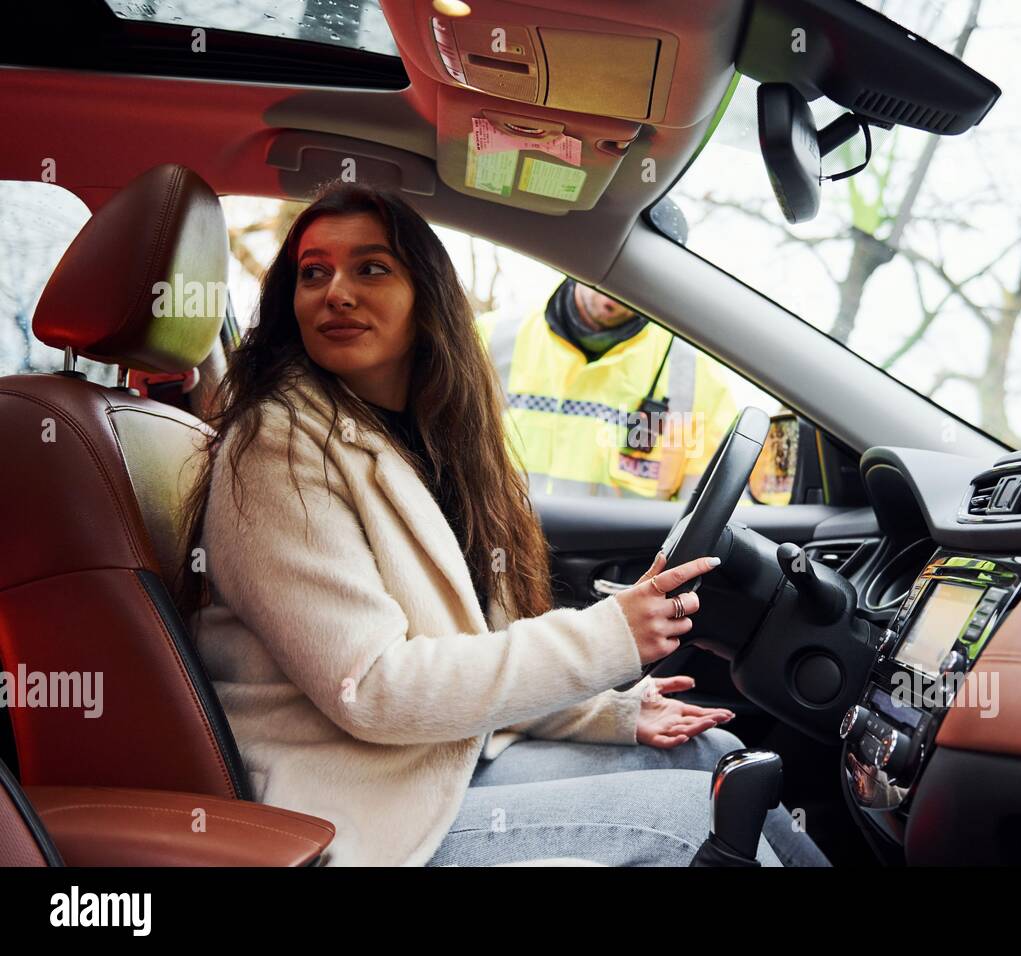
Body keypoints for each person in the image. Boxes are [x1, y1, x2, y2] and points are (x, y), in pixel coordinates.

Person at [175, 182, 829, 867]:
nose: (336, 291)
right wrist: (605, 637)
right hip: (360, 807)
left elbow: (460, 657)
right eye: (314, 273)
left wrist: (605, 712)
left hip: (436, 764)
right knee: (704, 814)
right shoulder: (275, 444)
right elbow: (372, 688)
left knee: (717, 756)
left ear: (426, 296)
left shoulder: (419, 440)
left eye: (370, 267)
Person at [476, 209, 738, 500]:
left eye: (633, 274)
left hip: (624, 548)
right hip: (496, 543)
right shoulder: (487, 339)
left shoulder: (699, 377)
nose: (611, 288)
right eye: (607, 260)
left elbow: (712, 511)